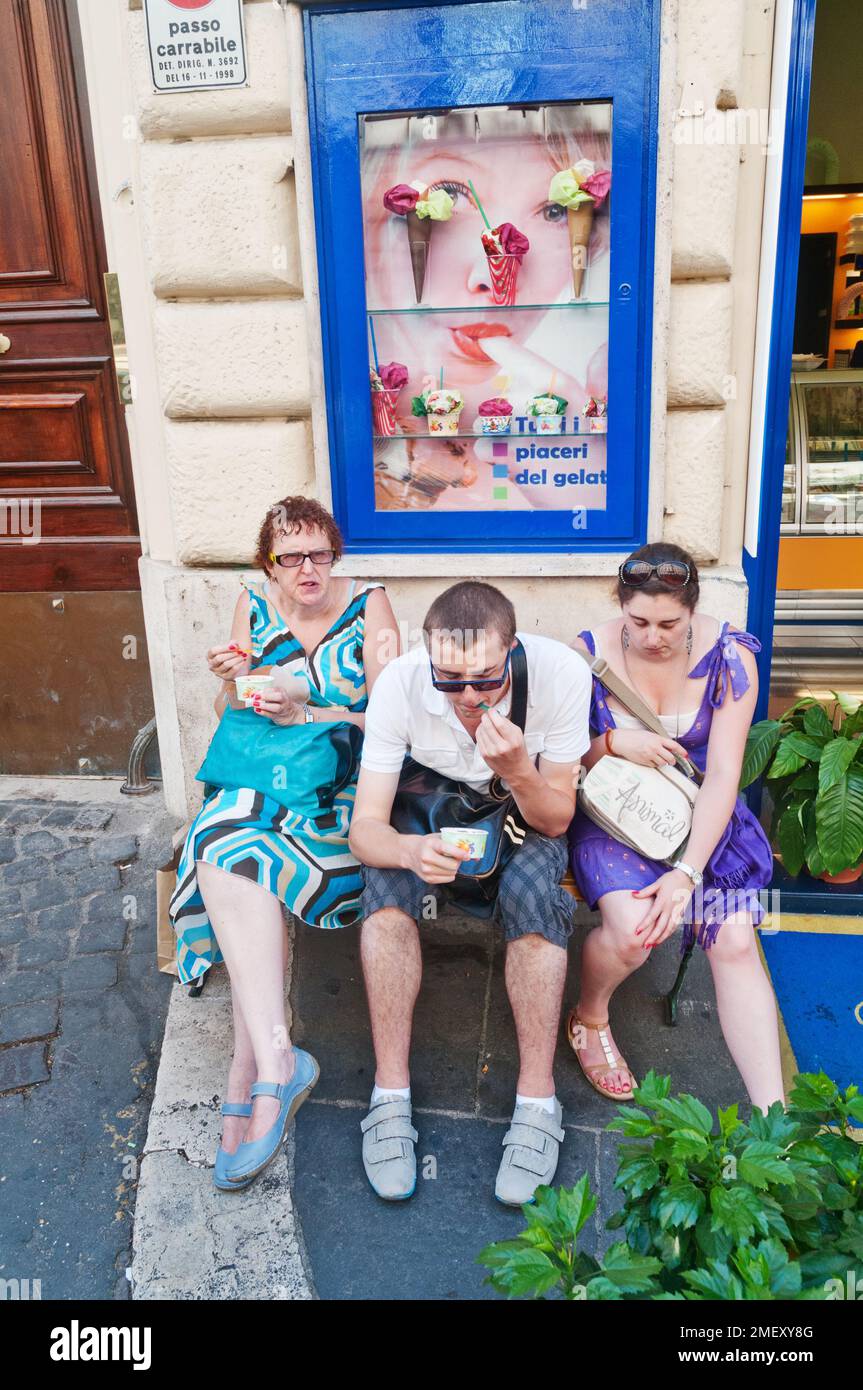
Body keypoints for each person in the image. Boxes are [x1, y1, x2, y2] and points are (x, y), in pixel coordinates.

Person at [169, 497, 398, 1190]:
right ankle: (270, 1061)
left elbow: (394, 719)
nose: (307, 570)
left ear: (337, 554)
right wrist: (230, 686)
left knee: (221, 846)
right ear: (266, 562)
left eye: (320, 554)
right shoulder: (252, 604)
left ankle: (254, 1063)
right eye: (290, 557)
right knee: (221, 835)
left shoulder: (371, 609)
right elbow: (228, 710)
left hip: (338, 800)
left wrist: (311, 708)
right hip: (258, 785)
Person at [348, 581, 592, 1205]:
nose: (469, 696)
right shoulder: (401, 685)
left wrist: (517, 769)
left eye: (486, 678)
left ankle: (537, 1103)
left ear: (512, 649)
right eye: (450, 679)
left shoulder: (561, 674)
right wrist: (408, 852)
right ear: (429, 657)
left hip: (522, 805)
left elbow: (558, 818)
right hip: (429, 805)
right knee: (384, 901)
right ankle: (390, 1096)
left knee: (536, 901)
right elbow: (365, 829)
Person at [566, 542, 783, 1113]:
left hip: (701, 814)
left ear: (692, 611)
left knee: (735, 940)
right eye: (638, 621)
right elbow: (560, 754)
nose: (653, 636)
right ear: (621, 606)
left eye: (669, 623)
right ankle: (589, 1016)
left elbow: (725, 775)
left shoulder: (731, 657)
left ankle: (772, 1122)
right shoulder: (588, 655)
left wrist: (687, 871)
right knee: (637, 932)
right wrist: (613, 742)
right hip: (617, 815)